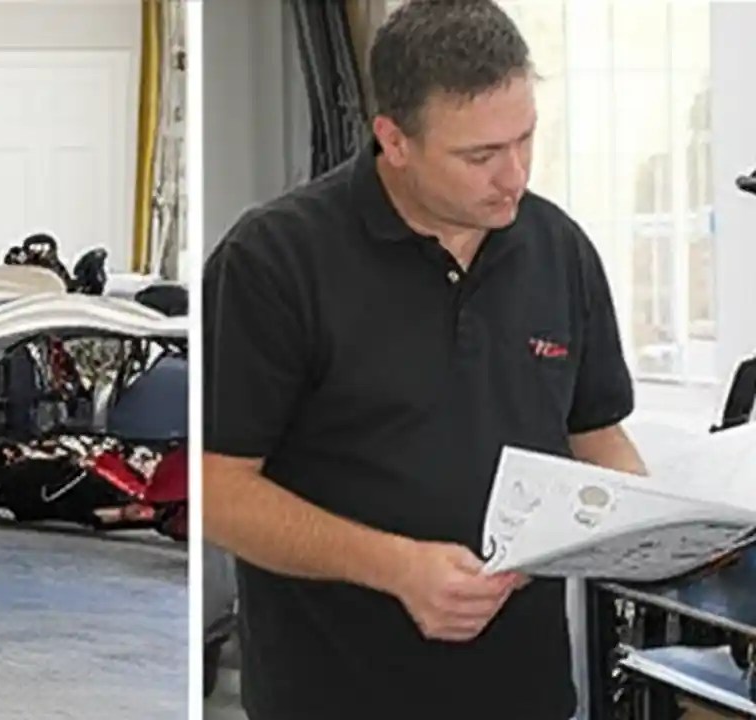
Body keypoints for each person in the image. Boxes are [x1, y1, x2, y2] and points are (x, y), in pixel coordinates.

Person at [201, 1, 649, 718]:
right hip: (335, 696)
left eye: (526, 139)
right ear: (394, 140)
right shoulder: (272, 262)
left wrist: (651, 530)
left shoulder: (559, 249)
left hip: (523, 695)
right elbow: (217, 489)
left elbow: (597, 436)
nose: (514, 176)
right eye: (480, 156)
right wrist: (397, 568)